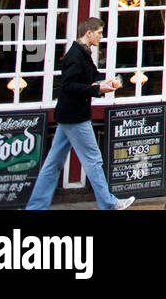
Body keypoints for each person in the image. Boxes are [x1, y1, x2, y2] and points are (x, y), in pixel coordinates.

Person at [26, 18, 134, 210]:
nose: (101, 36)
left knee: (53, 163)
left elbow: (91, 76)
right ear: (88, 33)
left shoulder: (84, 52)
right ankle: (109, 203)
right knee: (93, 159)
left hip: (69, 115)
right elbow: (69, 86)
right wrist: (97, 90)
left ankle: (35, 207)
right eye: (99, 32)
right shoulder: (75, 55)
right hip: (75, 116)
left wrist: (105, 83)